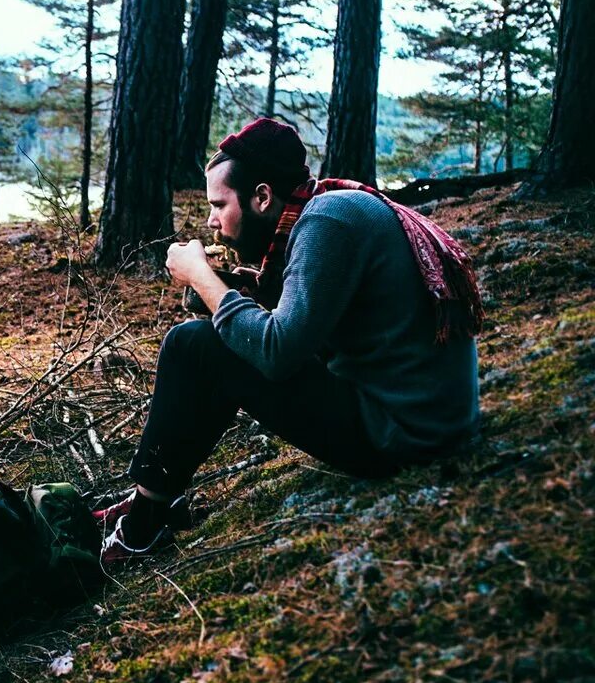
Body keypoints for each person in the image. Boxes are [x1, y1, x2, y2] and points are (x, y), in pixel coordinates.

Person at [98, 118, 482, 565]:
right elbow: (307, 317)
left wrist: (203, 278)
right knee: (211, 344)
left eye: (219, 205)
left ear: (262, 197)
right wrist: (227, 291)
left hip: (403, 436)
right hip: (427, 420)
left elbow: (278, 352)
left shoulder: (327, 223)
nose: (211, 220)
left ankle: (143, 525)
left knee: (192, 345)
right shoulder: (332, 209)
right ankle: (157, 497)